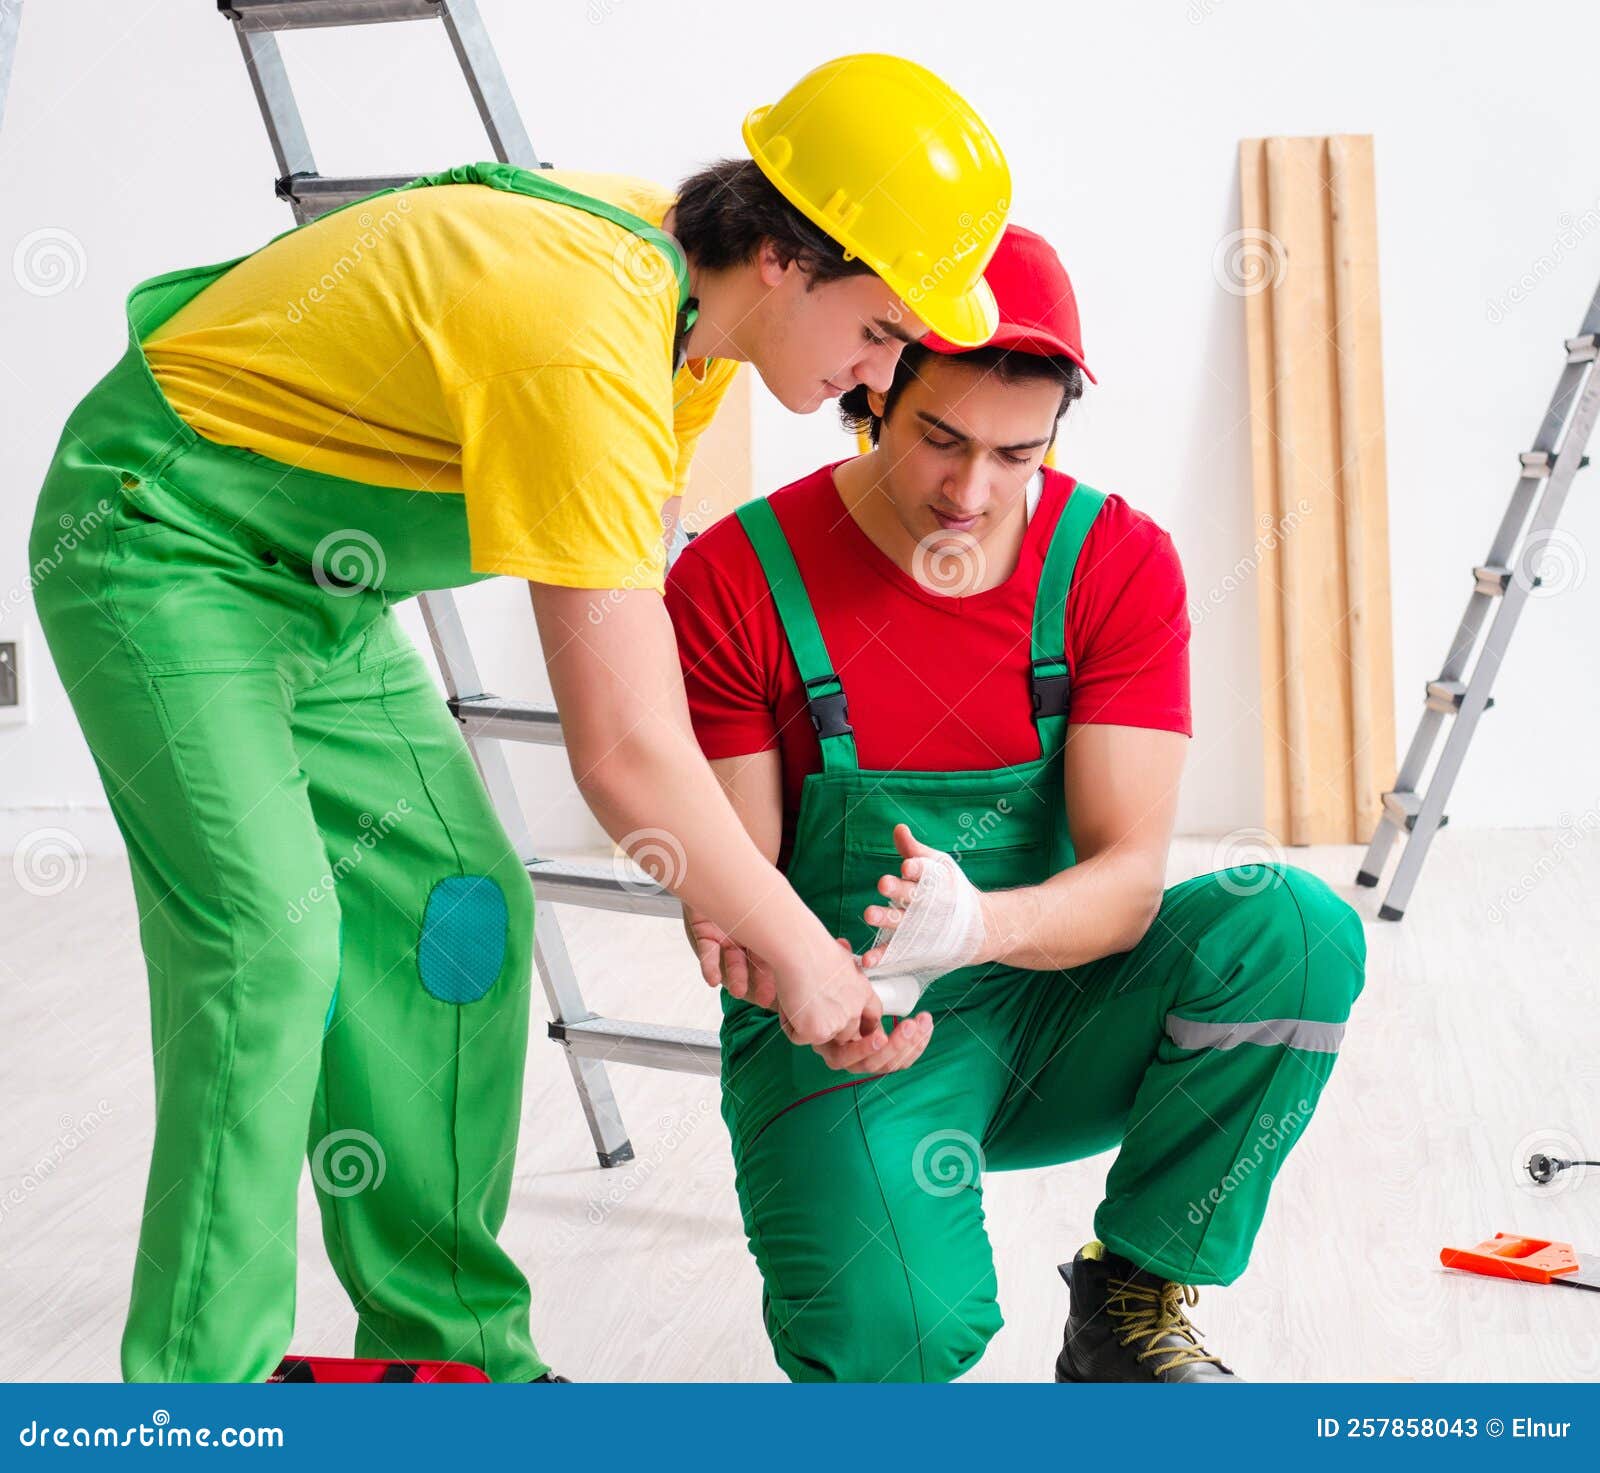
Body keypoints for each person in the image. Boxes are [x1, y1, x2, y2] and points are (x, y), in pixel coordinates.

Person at [26, 53, 1011, 1384]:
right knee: (270, 944)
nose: (878, 376)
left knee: (461, 904)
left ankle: (455, 1358)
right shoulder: (585, 332)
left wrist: (722, 892)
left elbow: (635, 645)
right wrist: (799, 946)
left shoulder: (685, 327)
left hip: (317, 597)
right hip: (160, 544)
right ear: (786, 255)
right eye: (883, 329)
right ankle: (196, 1402)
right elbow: (619, 749)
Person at [664, 224, 1368, 1383]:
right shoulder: (738, 578)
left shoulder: (1113, 563)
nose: (971, 491)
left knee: (1291, 928)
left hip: (1055, 1005)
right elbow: (737, 892)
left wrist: (977, 926)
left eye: (1015, 453)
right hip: (840, 1029)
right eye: (940, 439)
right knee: (894, 1338)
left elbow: (1127, 883)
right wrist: (823, 993)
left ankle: (1128, 1303)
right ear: (874, 386)